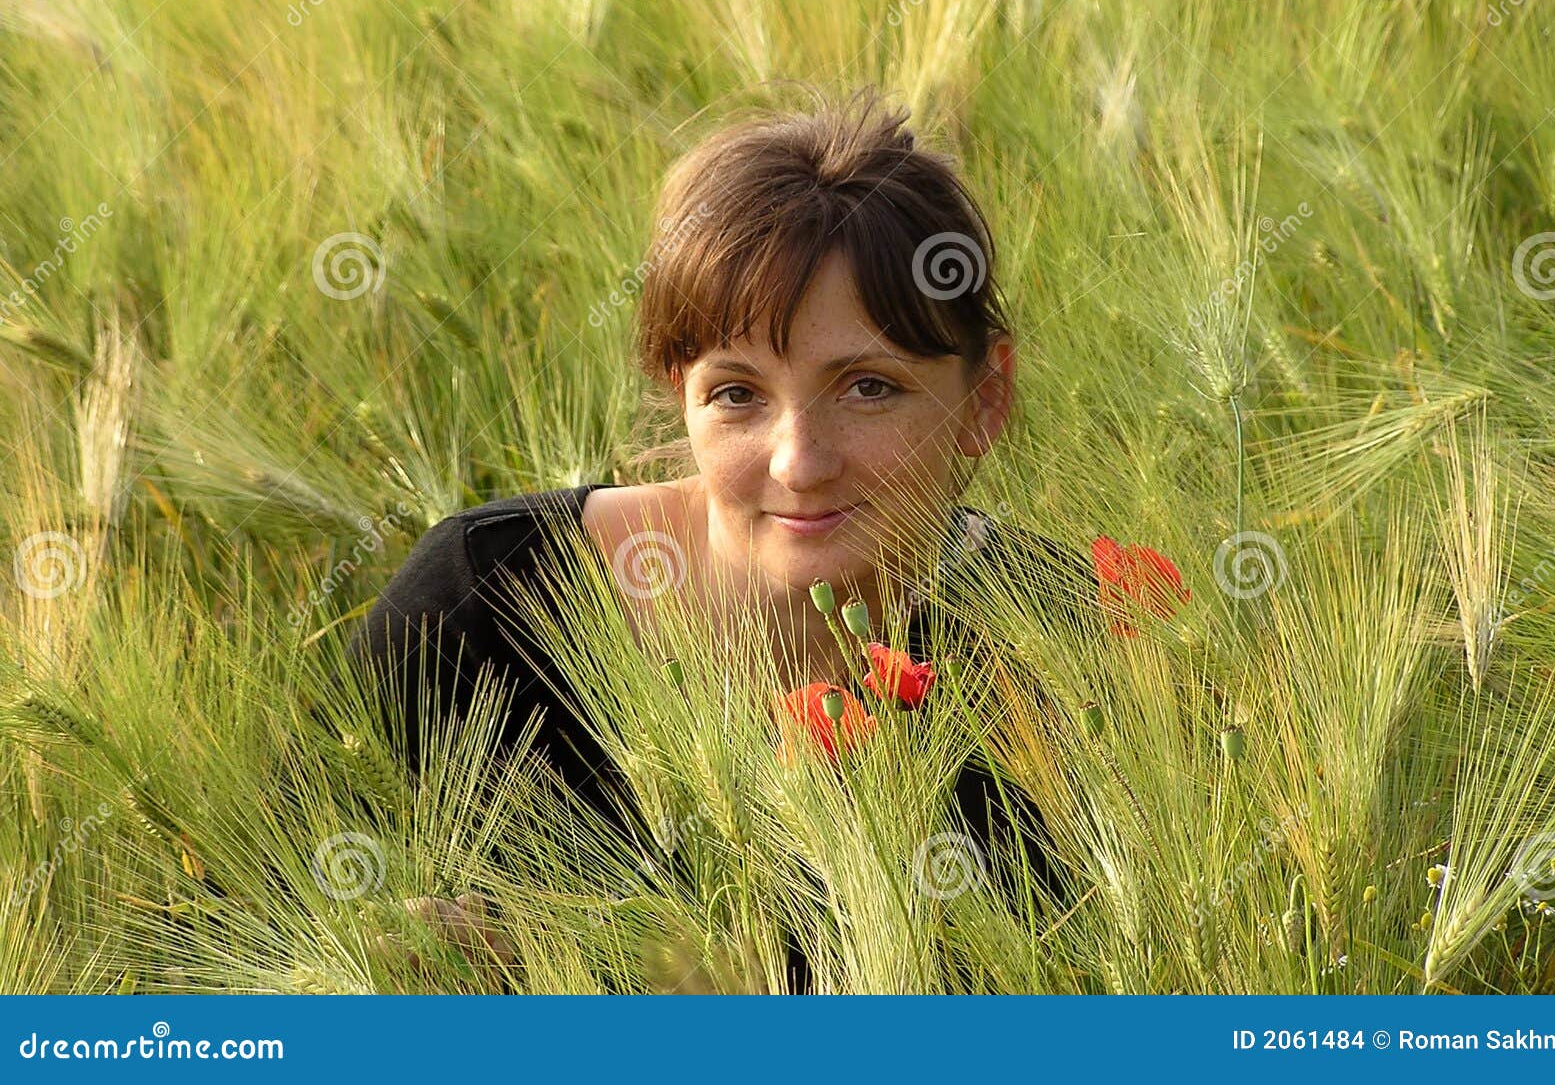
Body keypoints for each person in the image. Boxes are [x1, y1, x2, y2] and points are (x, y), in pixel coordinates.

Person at [345, 85, 1097, 991]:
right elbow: (246, 950)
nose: (800, 462)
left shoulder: (1073, 652)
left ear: (987, 399)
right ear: (680, 394)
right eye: (738, 393)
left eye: (869, 387)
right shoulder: (485, 613)